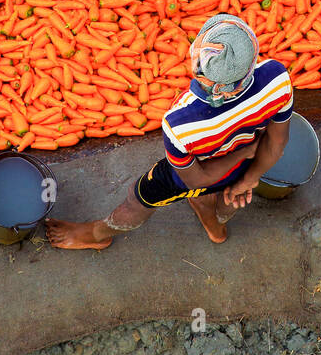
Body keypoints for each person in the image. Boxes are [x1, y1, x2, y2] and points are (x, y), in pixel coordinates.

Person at [45, 15, 293, 249]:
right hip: (244, 166)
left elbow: (196, 180)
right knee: (234, 192)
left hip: (211, 169)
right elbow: (276, 144)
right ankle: (216, 229)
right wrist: (250, 175)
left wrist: (240, 155)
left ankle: (97, 235)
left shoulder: (180, 123)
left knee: (138, 196)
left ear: (198, 66)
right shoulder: (277, 78)